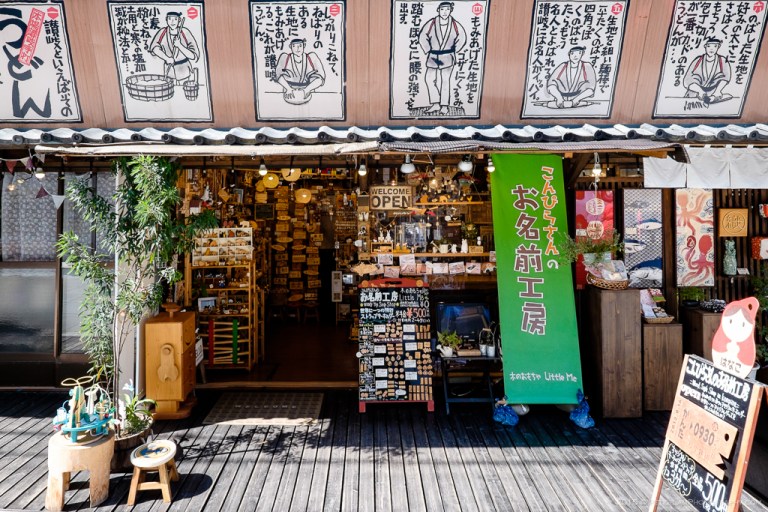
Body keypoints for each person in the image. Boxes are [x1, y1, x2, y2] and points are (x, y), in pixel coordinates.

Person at [418, 1, 467, 115]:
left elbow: (462, 37)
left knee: (445, 81)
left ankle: (444, 105)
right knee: (429, 79)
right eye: (442, 9)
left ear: (450, 11)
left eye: (447, 9)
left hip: (447, 55)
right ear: (438, 10)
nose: (445, 12)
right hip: (433, 55)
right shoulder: (432, 23)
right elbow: (422, 36)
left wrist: (455, 49)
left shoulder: (455, 24)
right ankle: (435, 103)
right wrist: (428, 48)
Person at [149, 11, 200, 85]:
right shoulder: (162, 32)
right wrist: (167, 58)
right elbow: (154, 48)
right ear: (166, 20)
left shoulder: (185, 32)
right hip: (169, 72)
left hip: (184, 70)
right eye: (170, 19)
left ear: (179, 20)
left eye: (175, 19)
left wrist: (180, 46)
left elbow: (193, 56)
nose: (172, 22)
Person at [274, 38, 326, 105]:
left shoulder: (312, 57)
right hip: (289, 91)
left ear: (304, 46)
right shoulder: (285, 57)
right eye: (294, 46)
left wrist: (307, 90)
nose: (297, 48)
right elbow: (278, 75)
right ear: (290, 47)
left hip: (307, 91)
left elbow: (321, 78)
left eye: (300, 46)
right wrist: (288, 89)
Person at [683, 37, 732, 104]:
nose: (711, 49)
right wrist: (700, 91)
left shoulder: (723, 60)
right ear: (705, 46)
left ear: (718, 47)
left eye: (715, 46)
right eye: (709, 46)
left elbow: (725, 78)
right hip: (695, 92)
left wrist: (717, 91)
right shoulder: (698, 60)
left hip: (713, 93)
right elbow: (687, 80)